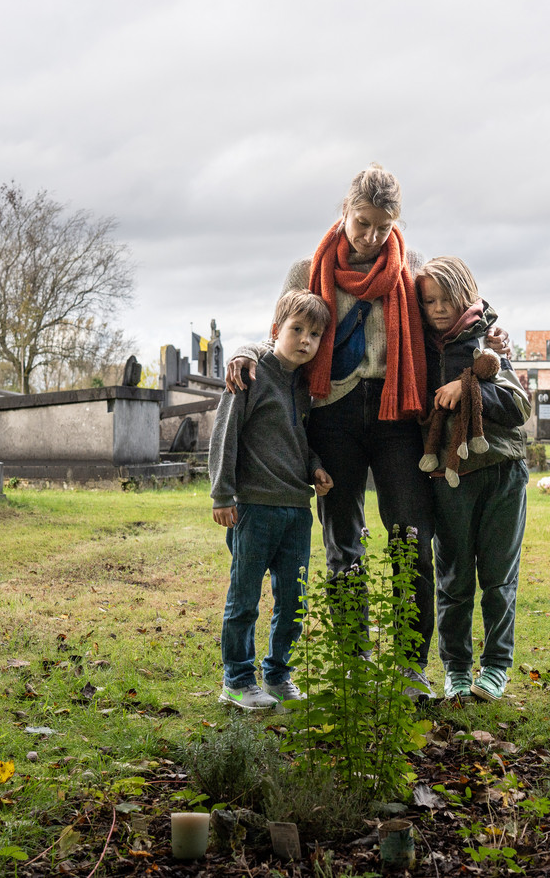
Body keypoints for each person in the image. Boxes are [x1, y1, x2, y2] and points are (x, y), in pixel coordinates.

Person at [227, 165, 507, 699]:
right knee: (342, 542)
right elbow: (279, 338)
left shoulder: (410, 272)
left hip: (395, 413)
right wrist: (244, 351)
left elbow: (453, 320)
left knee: (410, 535)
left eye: (383, 226)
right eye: (362, 223)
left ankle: (408, 665)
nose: (372, 236)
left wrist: (491, 343)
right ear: (344, 211)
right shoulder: (305, 270)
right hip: (330, 416)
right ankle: (352, 659)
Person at [210, 290, 334, 710]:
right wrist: (222, 493)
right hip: (254, 507)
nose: (305, 340)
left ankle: (278, 675)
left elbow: (298, 439)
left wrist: (314, 465)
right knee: (244, 598)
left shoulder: (302, 385)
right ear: (275, 329)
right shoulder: (250, 372)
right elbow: (225, 433)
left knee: (293, 601)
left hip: (297, 509)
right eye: (297, 329)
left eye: (315, 334)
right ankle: (238, 679)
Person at [415, 256, 530, 702]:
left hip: (502, 472)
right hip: (450, 478)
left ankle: (496, 667)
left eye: (447, 298)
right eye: (429, 301)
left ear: (465, 293)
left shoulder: (487, 342)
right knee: (455, 579)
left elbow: (518, 408)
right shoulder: (418, 347)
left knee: (499, 579)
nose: (439, 308)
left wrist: (470, 387)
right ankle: (457, 668)